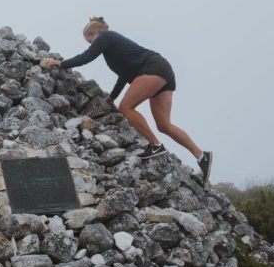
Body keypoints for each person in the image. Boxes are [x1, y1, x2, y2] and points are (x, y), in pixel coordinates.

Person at [45, 17, 213, 183]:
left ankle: (155, 145)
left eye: (90, 41)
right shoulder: (113, 49)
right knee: (164, 125)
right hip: (162, 71)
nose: (91, 45)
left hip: (153, 68)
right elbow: (124, 75)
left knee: (126, 107)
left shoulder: (106, 36)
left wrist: (61, 63)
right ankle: (201, 156)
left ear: (94, 33)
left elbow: (86, 57)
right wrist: (112, 97)